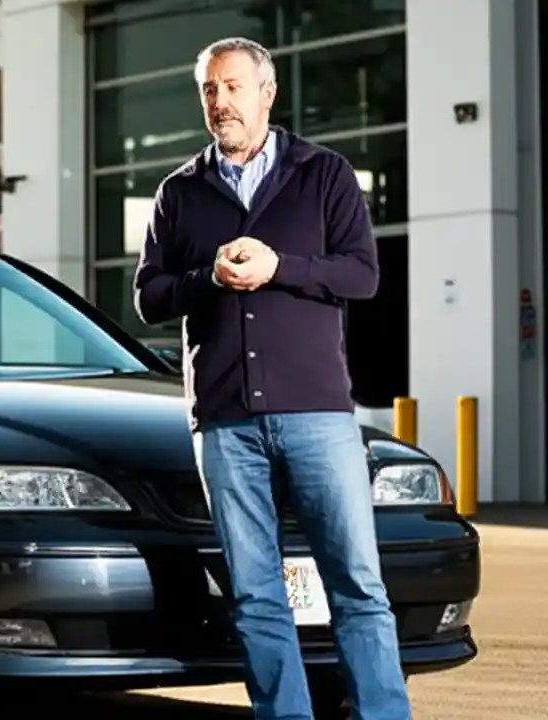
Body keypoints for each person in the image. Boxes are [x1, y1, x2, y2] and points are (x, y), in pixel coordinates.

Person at [132, 37, 411, 719]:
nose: (220, 102)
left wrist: (278, 265)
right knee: (255, 592)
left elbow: (361, 275)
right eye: (209, 91)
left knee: (357, 583)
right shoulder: (178, 193)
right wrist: (210, 278)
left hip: (318, 415)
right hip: (225, 422)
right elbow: (149, 296)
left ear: (267, 93)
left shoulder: (323, 175)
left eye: (232, 87)